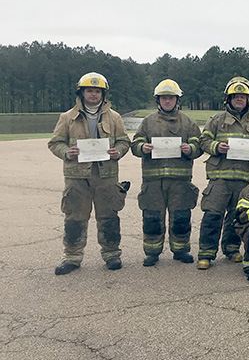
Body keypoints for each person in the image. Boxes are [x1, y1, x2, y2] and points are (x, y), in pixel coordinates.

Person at [48, 72, 131, 275]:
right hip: (77, 176)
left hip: (107, 174)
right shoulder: (67, 117)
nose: (93, 94)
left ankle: (112, 254)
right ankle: (72, 257)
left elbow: (124, 141)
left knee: (109, 216)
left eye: (97, 91)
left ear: (102, 94)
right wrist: (66, 152)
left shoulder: (115, 117)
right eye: (89, 91)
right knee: (75, 217)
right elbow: (54, 143)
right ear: (82, 92)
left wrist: (117, 151)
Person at [197, 77, 249, 270]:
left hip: (245, 179)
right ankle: (206, 253)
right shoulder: (216, 121)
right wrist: (216, 147)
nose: (239, 100)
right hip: (220, 177)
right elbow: (203, 141)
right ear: (227, 99)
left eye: (242, 97)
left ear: (248, 100)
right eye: (235, 96)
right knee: (212, 215)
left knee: (236, 217)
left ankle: (231, 248)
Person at [131, 79, 203, 266]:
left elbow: (199, 145)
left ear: (177, 99)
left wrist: (191, 149)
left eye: (171, 98)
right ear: (158, 100)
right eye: (164, 98)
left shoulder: (188, 122)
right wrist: (142, 148)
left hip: (180, 181)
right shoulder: (148, 122)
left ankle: (180, 250)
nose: (168, 101)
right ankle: (152, 252)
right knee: (152, 217)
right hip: (153, 180)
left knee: (181, 217)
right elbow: (135, 144)